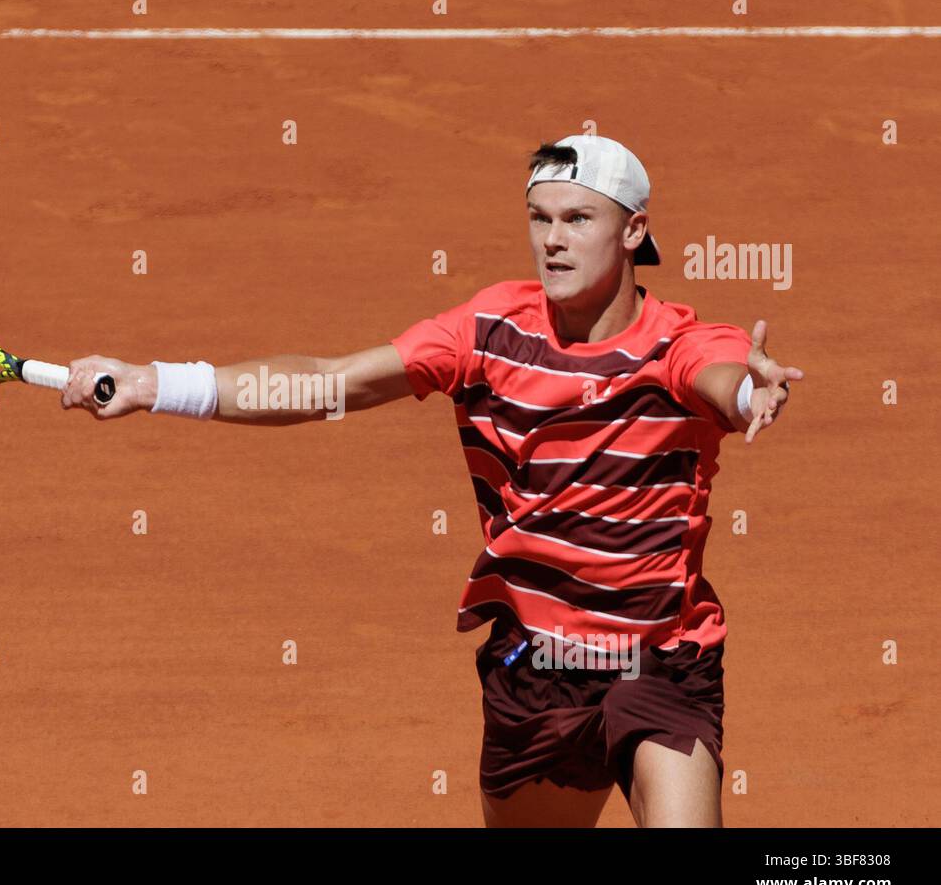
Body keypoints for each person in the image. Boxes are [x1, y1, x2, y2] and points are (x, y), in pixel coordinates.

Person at [58, 134, 804, 828]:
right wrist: (156, 383)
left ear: (634, 231)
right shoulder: (487, 331)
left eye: (579, 219)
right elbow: (328, 384)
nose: (553, 239)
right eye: (540, 218)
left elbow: (719, 377)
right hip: (536, 666)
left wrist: (749, 394)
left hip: (661, 659)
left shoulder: (681, 342)